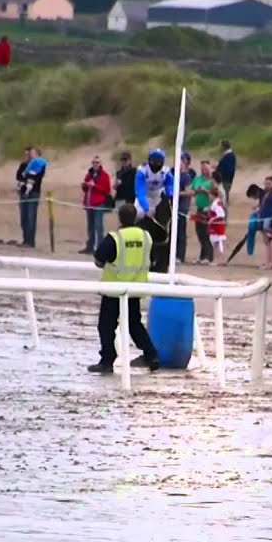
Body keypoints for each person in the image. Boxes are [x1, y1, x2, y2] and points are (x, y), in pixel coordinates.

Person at [89, 202, 160, 375]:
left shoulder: (115, 238)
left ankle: (107, 360)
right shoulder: (146, 236)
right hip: (135, 288)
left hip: (114, 289)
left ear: (120, 217)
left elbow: (99, 260)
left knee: (106, 326)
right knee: (134, 324)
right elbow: (154, 260)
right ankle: (151, 356)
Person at [80, 155, 111, 255]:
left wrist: (95, 186)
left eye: (97, 163)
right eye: (93, 163)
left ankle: (100, 247)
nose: (95, 164)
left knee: (99, 226)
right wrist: (85, 185)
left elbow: (107, 190)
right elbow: (85, 188)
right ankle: (90, 246)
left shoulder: (104, 175)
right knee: (90, 226)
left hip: (99, 203)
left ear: (100, 164)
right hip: (89, 202)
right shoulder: (89, 174)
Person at [134, 148, 175, 221]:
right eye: (154, 161)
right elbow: (140, 192)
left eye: (159, 162)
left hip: (158, 197)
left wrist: (170, 195)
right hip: (144, 196)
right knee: (138, 214)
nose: (156, 164)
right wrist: (146, 208)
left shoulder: (166, 172)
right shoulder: (142, 171)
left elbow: (169, 185)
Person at [18, 149, 47, 248]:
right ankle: (25, 239)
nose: (30, 155)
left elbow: (38, 177)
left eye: (32, 153)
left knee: (31, 217)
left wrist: (28, 177)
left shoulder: (41, 164)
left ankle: (30, 241)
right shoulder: (24, 164)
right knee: (23, 217)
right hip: (23, 192)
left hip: (34, 192)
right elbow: (19, 175)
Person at [191, 158, 218, 264]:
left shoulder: (212, 181)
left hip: (208, 208)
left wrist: (205, 190)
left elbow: (215, 195)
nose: (203, 170)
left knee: (207, 232)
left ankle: (208, 256)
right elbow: (192, 190)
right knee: (199, 232)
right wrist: (196, 190)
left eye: (205, 168)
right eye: (202, 168)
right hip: (199, 207)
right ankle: (202, 255)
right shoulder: (197, 179)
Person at [214, 139, 236, 206]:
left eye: (220, 145)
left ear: (223, 146)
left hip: (225, 180)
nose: (219, 147)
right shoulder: (227, 155)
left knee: (223, 197)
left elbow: (227, 169)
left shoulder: (229, 156)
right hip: (224, 179)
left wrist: (218, 173)